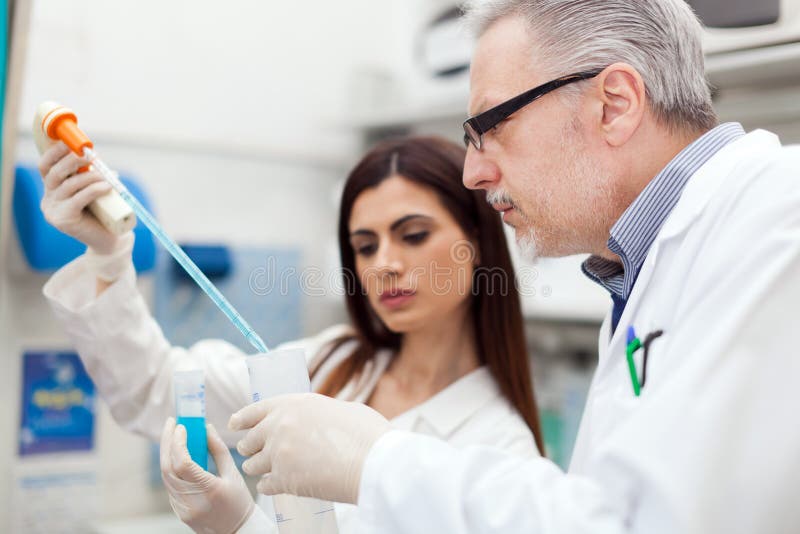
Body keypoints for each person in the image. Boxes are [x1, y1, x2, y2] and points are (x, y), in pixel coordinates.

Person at [225, 1, 800, 533]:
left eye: (492, 127)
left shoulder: (775, 220)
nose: (473, 174)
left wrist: (377, 463)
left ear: (615, 105)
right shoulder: (643, 277)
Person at [40, 135, 544, 532]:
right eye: (365, 246)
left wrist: (239, 525)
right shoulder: (331, 362)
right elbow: (155, 388)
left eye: (413, 235)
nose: (385, 264)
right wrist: (106, 257)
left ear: (477, 243)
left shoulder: (501, 452)